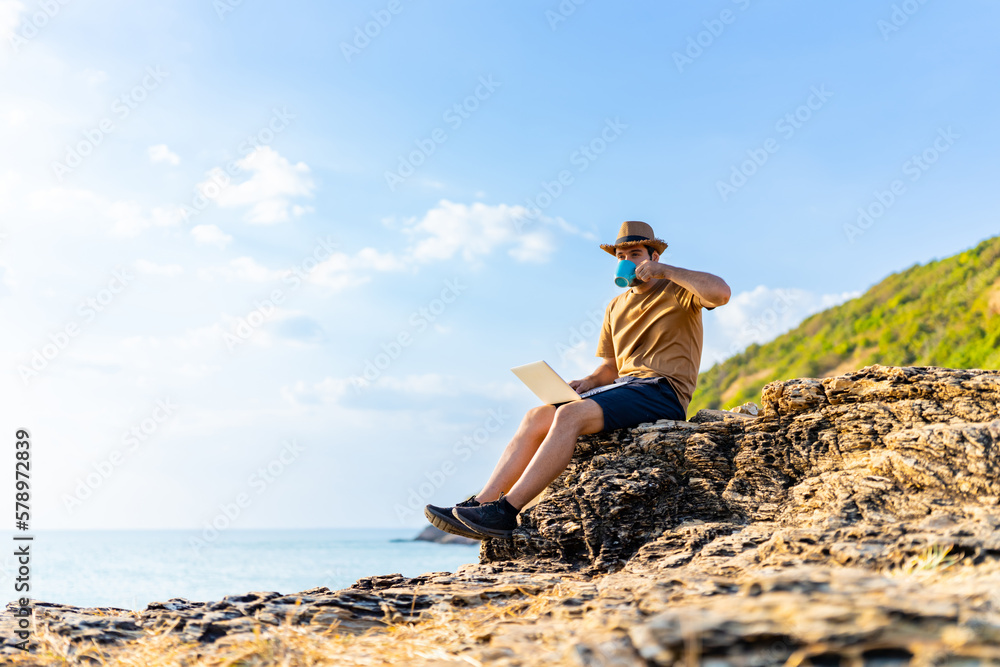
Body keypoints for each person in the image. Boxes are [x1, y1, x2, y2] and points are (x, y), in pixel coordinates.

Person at [424, 221, 731, 540]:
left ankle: (507, 511)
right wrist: (587, 383)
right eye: (621, 255)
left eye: (635, 254)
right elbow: (610, 368)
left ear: (653, 256)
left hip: (662, 391)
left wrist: (665, 271)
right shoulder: (615, 307)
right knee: (536, 416)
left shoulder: (680, 289)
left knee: (570, 415)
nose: (627, 260)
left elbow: (721, 293)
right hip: (625, 388)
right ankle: (483, 502)